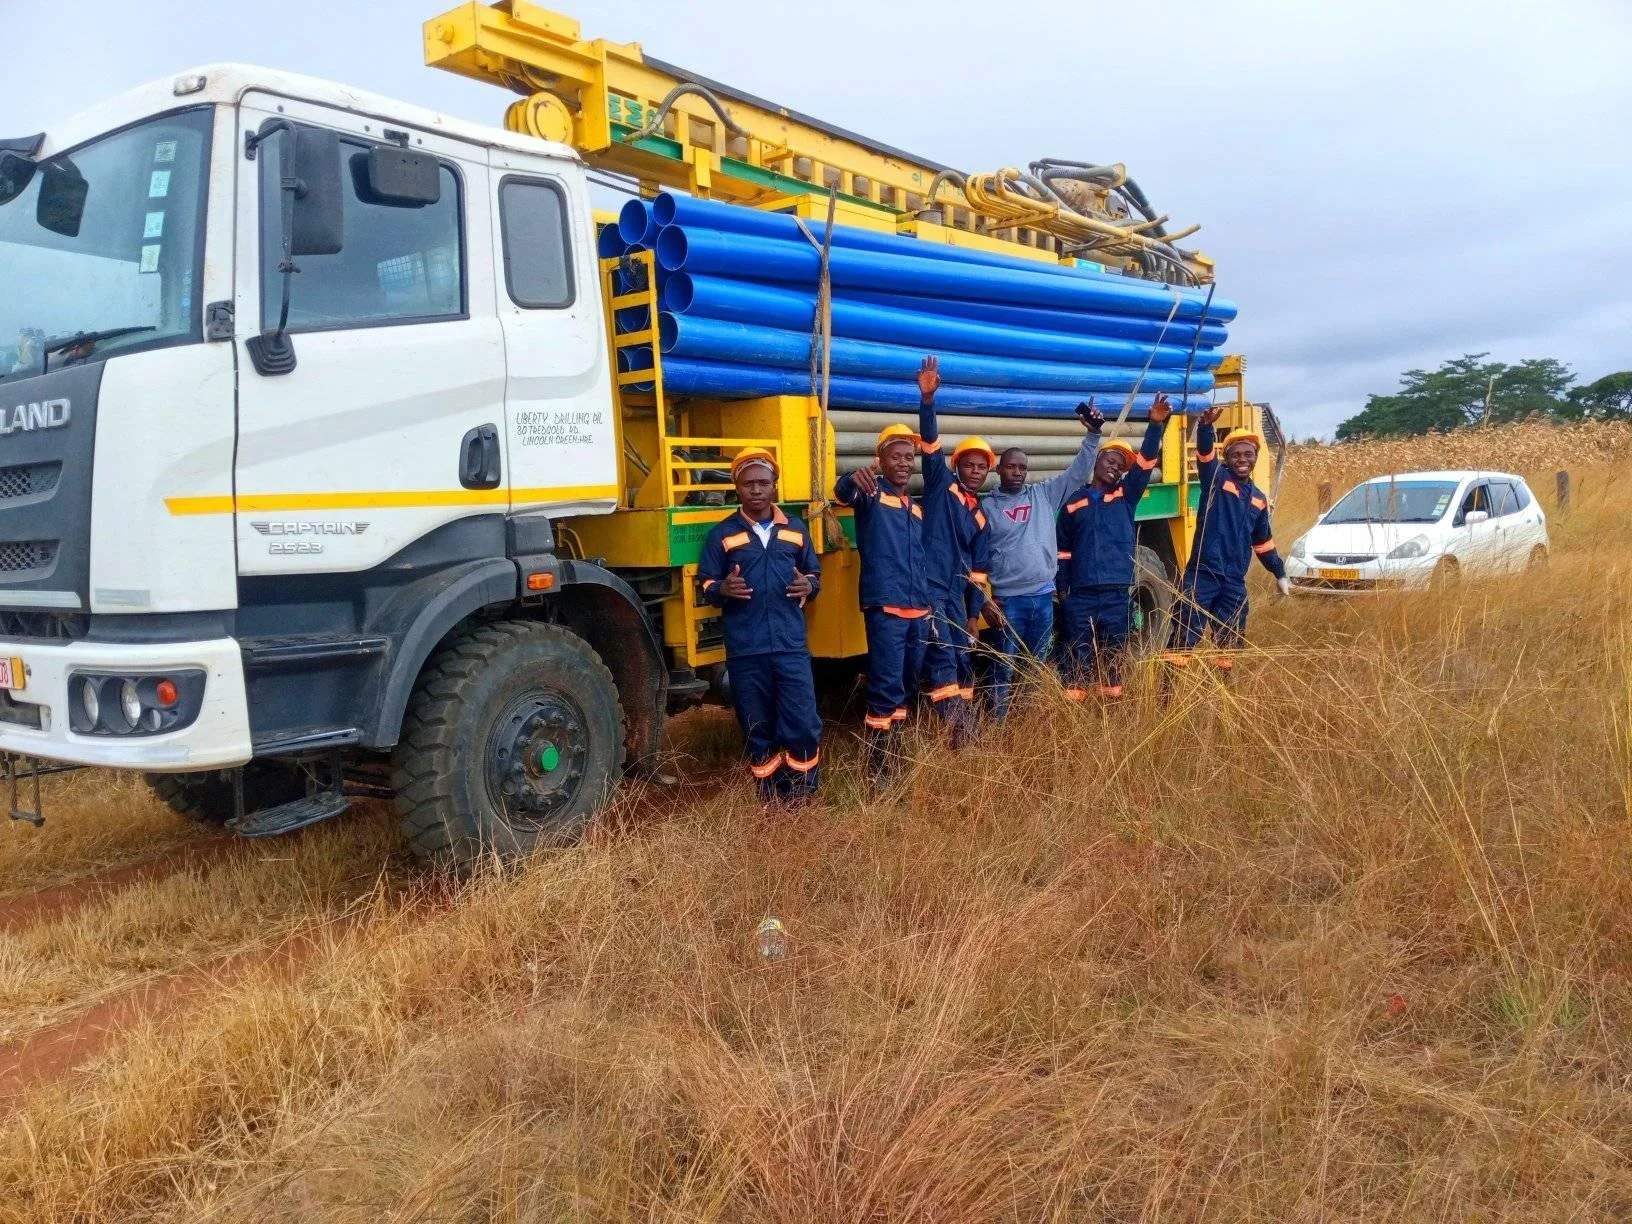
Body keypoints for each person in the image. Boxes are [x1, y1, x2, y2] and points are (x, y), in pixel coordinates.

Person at [833, 358, 965, 779]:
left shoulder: (918, 509)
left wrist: (928, 402)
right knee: (885, 687)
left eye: (909, 456)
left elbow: (933, 457)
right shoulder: (871, 496)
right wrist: (853, 479)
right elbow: (841, 492)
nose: (905, 462)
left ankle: (898, 758)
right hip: (887, 610)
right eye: (896, 456)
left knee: (906, 687)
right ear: (881, 460)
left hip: (918, 610)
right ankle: (878, 769)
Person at [697, 448, 824, 802]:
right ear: (737, 488)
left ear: (774, 486)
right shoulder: (722, 534)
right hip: (746, 650)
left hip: (790, 647)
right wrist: (721, 588)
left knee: (801, 724)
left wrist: (809, 586)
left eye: (763, 483)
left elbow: (814, 573)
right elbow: (705, 583)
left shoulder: (796, 529)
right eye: (748, 483)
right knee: (758, 727)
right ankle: (770, 798)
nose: (756, 490)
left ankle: (802, 797)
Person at [979, 398, 1106, 716]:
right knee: (1002, 670)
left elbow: (1078, 473)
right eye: (1011, 466)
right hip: (1009, 603)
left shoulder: (1043, 495)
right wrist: (984, 600)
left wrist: (1093, 436)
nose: (1018, 472)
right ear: (999, 469)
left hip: (1042, 599)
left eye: (1023, 467)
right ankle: (999, 724)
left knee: (1033, 667)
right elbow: (976, 558)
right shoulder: (987, 507)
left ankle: (1027, 722)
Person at [1054, 394, 1171, 699]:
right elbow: (1063, 551)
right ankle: (1076, 713)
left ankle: (1111, 710)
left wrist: (1155, 426)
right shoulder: (1073, 503)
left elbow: (1144, 465)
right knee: (1076, 659)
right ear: (1096, 461)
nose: (1116, 468)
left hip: (1117, 596)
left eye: (1120, 466)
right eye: (1111, 461)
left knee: (1112, 660)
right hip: (1080, 596)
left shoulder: (1125, 496)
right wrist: (1064, 592)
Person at [1166, 406, 1291, 670]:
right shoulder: (1216, 479)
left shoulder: (1258, 499)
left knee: (1230, 642)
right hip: (1202, 574)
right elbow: (1204, 455)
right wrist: (1205, 428)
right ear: (1227, 457)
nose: (1242, 459)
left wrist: (1279, 572)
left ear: (1256, 456)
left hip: (1234, 581)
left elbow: (1263, 543)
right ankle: (1166, 696)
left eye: (1248, 454)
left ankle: (1224, 692)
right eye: (1236, 454)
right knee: (1183, 637)